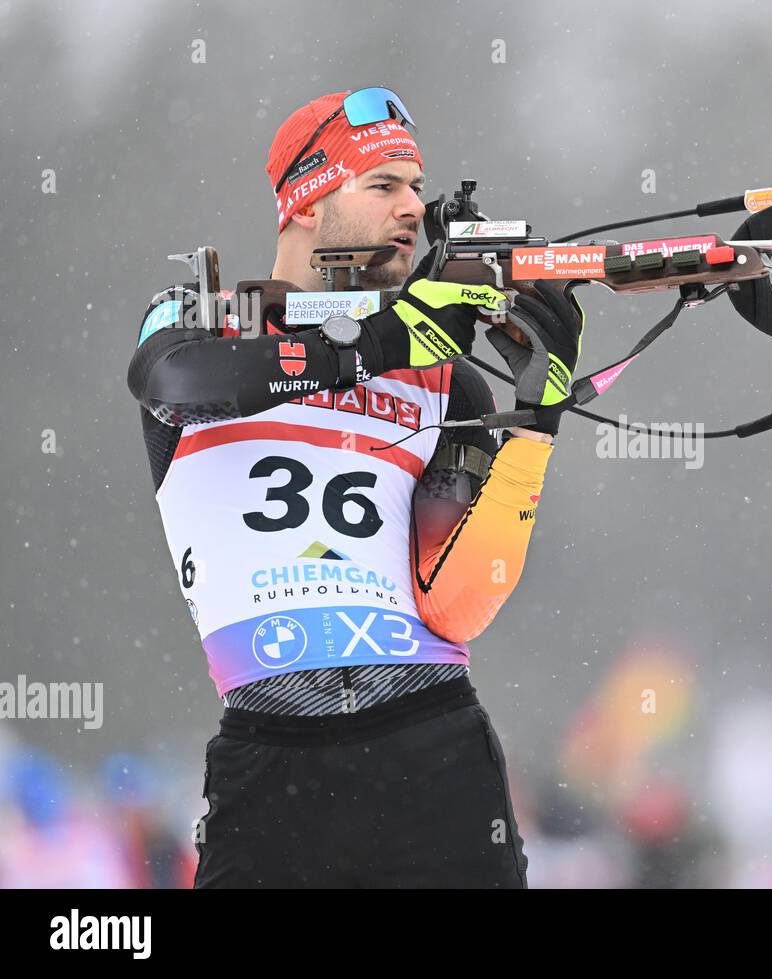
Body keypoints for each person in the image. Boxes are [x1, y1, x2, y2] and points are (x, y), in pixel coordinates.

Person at [127, 87, 585, 887]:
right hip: (271, 757)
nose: (413, 206)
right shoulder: (199, 321)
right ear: (305, 204)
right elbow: (170, 378)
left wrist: (537, 424)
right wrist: (377, 340)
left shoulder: (446, 382)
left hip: (431, 744)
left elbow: (457, 603)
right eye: (382, 186)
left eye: (416, 185)